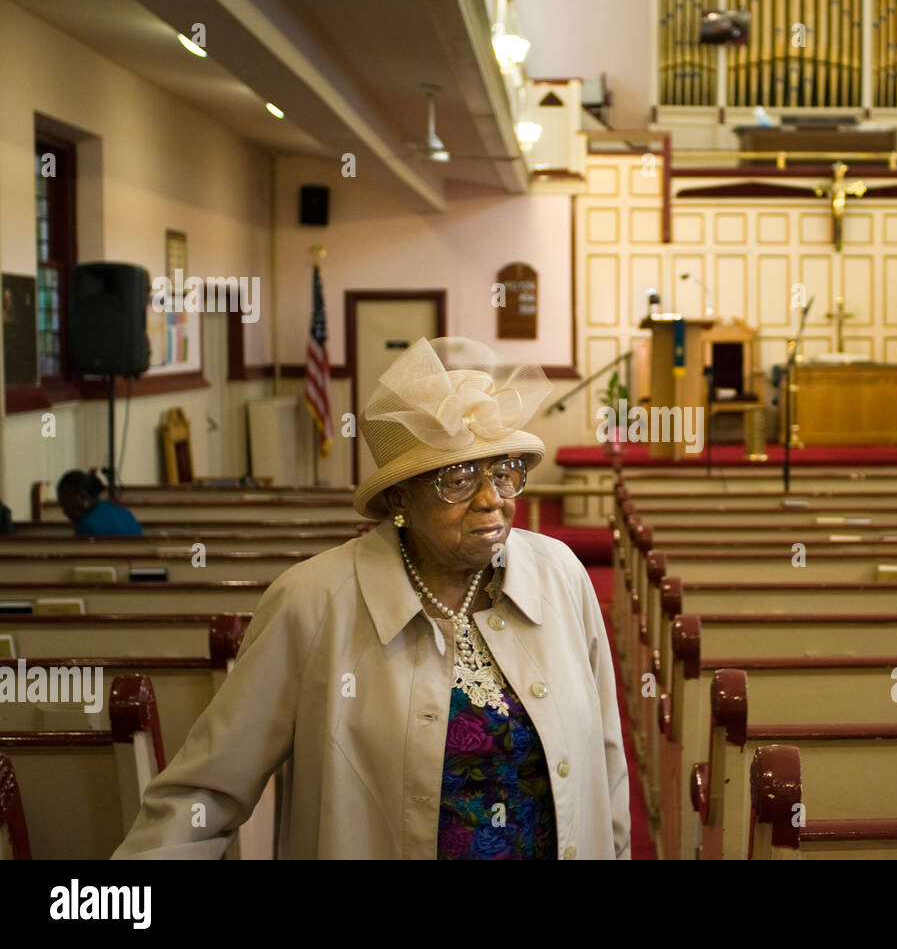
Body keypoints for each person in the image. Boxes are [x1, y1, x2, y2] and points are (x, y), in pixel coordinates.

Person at [113, 337, 630, 859]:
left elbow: (605, 763)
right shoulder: (313, 602)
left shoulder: (560, 574)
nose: (492, 499)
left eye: (504, 473)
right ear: (400, 498)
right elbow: (207, 791)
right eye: (459, 478)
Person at [57, 470, 142, 536]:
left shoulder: (86, 527)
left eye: (65, 504)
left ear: (81, 497)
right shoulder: (126, 514)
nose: (64, 512)